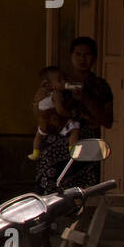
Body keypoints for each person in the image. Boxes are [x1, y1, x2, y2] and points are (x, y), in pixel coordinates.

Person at [35, 36, 114, 193]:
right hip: (54, 145)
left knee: (84, 194)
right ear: (71, 56)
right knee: (51, 194)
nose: (82, 59)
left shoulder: (100, 86)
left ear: (94, 58)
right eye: (78, 54)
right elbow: (39, 110)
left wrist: (85, 98)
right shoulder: (57, 82)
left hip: (86, 145)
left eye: (87, 55)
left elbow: (107, 120)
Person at [28, 65, 79, 161]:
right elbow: (60, 110)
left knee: (38, 136)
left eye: (64, 79)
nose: (64, 82)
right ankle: (72, 149)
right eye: (60, 80)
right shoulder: (56, 94)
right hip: (55, 122)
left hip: (43, 123)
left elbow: (37, 109)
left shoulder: (40, 94)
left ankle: (35, 152)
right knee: (74, 129)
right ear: (48, 84)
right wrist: (70, 114)